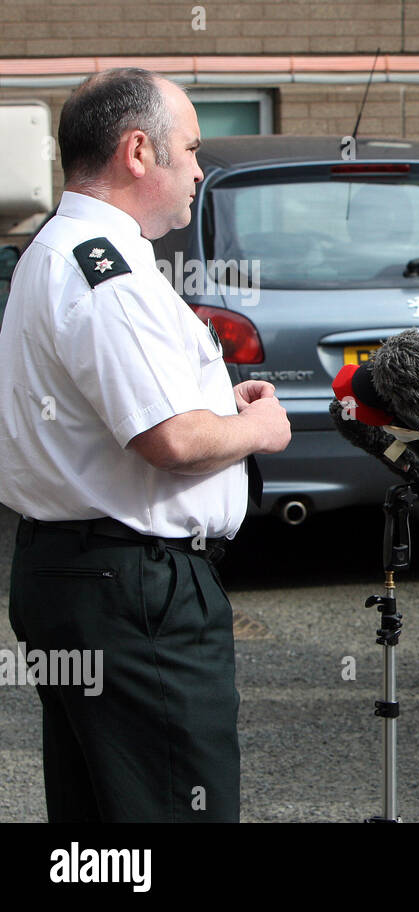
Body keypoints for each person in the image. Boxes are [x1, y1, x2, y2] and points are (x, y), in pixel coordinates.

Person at [0, 68, 291, 822]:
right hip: (135, 590)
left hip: (84, 575)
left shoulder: (56, 250)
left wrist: (213, 404)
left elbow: (108, 410)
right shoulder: (110, 271)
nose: (198, 168)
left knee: (105, 826)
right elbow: (169, 440)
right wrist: (259, 429)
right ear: (139, 151)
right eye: (189, 149)